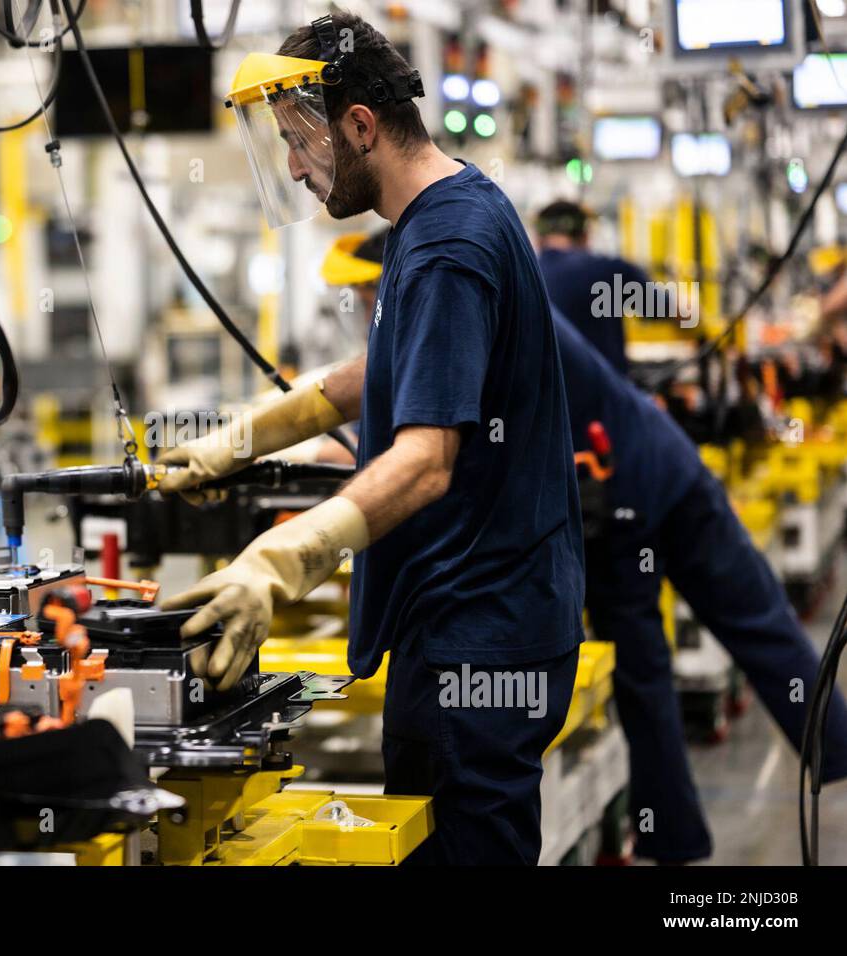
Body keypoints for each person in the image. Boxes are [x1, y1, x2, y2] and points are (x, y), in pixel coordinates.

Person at [157, 12, 585, 865]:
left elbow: (426, 461)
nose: (292, 166)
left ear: (358, 125)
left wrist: (278, 565)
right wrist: (240, 439)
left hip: (479, 639)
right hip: (473, 618)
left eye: (298, 140)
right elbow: (389, 365)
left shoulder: (447, 245)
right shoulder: (444, 214)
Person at [333, 230, 847, 863]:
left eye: (361, 295)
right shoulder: (521, 275)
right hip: (642, 476)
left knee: (643, 677)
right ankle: (829, 753)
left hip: (612, 495)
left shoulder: (464, 291)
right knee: (753, 620)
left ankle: (674, 838)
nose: (360, 309)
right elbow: (681, 315)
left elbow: (417, 428)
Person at [534, 200, 652, 374]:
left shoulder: (523, 277)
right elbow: (664, 310)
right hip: (605, 395)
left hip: (544, 395)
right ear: (585, 235)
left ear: (538, 238)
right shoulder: (611, 271)